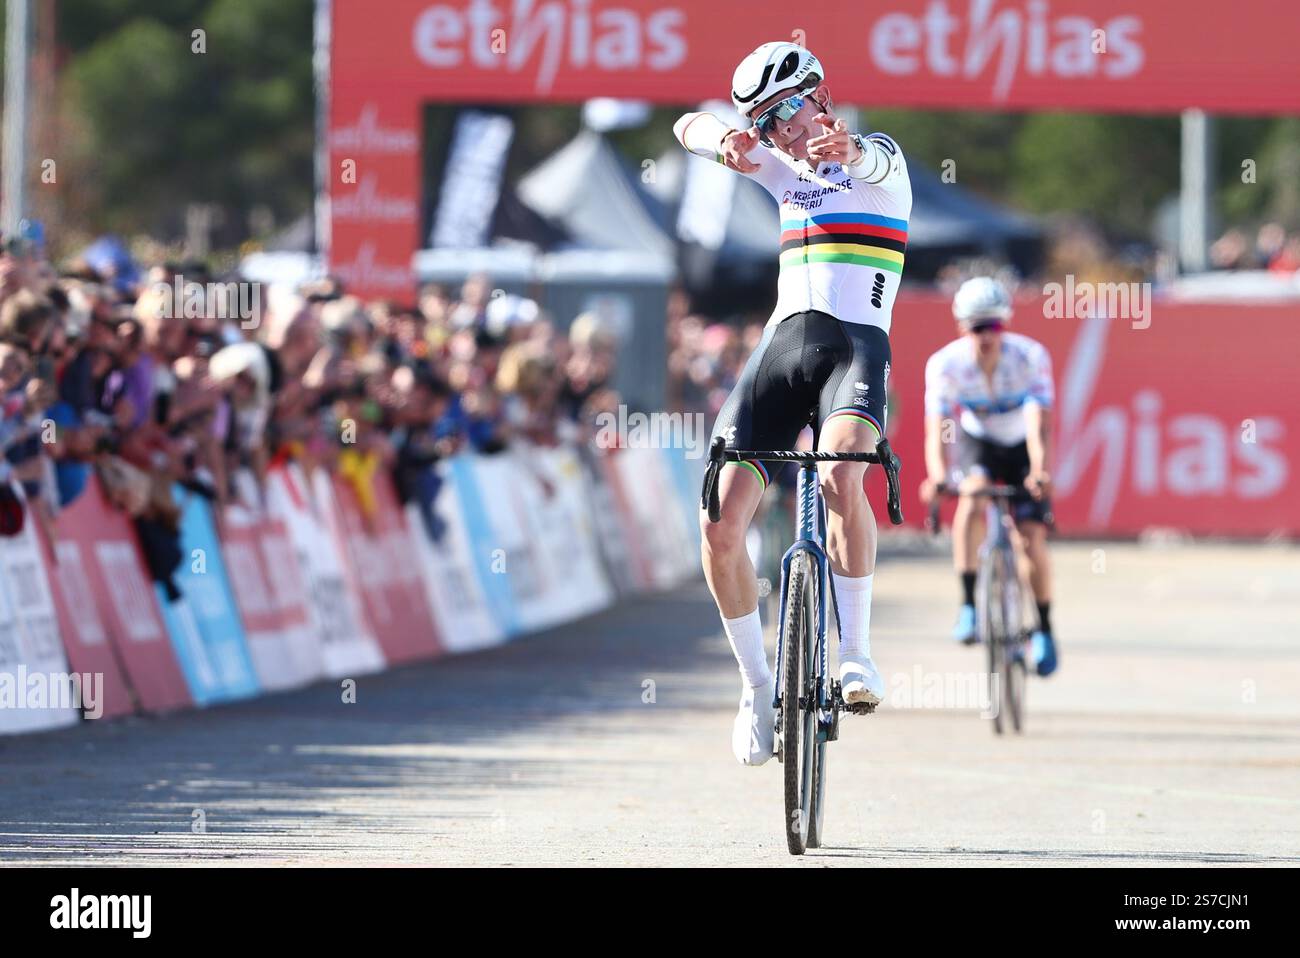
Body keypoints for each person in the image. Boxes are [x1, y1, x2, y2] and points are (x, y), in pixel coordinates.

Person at [673, 41, 912, 765]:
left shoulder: (879, 159)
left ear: (821, 94)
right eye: (767, 120)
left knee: (842, 476)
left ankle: (857, 656)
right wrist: (727, 138)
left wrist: (849, 148)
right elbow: (686, 125)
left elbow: (868, 157)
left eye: (790, 109)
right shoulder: (777, 168)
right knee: (718, 524)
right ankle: (755, 687)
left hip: (853, 354)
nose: (784, 128)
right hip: (779, 356)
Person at [918, 277, 1058, 677]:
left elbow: (1038, 425)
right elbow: (940, 429)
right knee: (972, 495)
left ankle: (1045, 628)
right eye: (977, 327)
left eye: (994, 326)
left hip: (1021, 445)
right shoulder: (946, 364)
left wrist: (1039, 470)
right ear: (963, 328)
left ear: (1005, 325)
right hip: (977, 441)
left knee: (1030, 537)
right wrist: (939, 475)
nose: (986, 336)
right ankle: (968, 605)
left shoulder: (1029, 357)